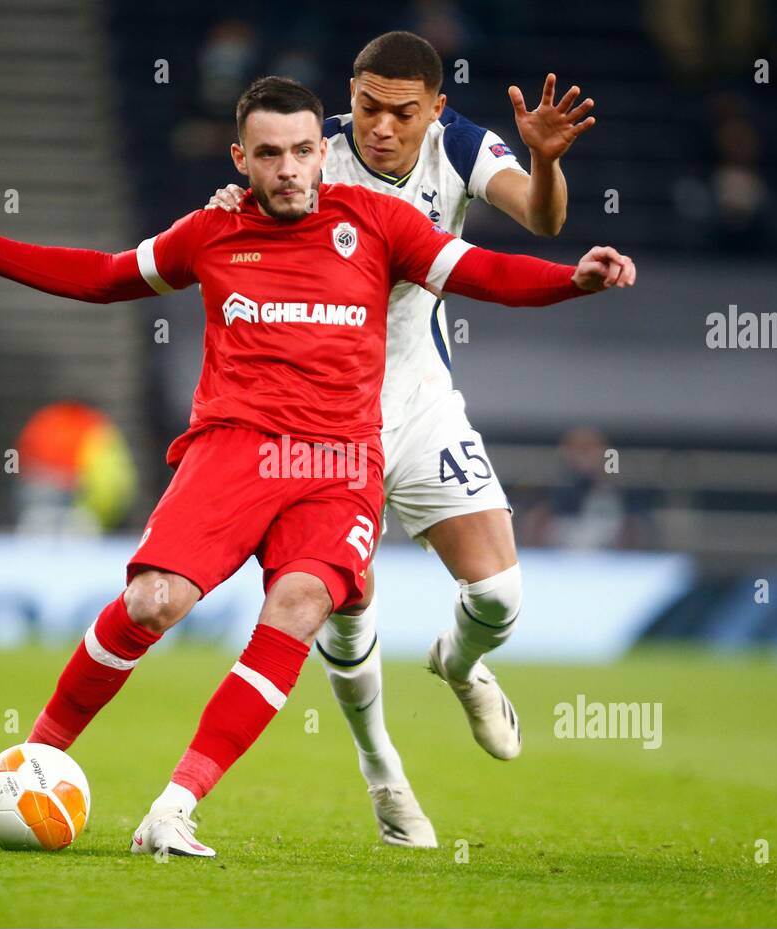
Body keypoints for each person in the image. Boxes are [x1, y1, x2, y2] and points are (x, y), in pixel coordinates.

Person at [0, 75, 635, 857]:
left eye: (301, 151)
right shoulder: (211, 230)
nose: (289, 169)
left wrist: (573, 280)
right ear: (241, 159)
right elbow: (105, 276)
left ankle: (175, 807)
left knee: (299, 606)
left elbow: (486, 271)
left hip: (338, 465)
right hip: (233, 450)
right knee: (154, 600)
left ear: (321, 154)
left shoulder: (380, 223)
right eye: (269, 154)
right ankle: (23, 758)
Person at [206, 31, 602, 844]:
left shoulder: (458, 148)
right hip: (319, 420)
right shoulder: (313, 156)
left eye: (402, 113)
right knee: (344, 617)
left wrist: (548, 163)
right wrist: (227, 201)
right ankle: (383, 772)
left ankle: (456, 663)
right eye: (367, 108)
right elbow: (245, 208)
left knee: (498, 596)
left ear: (436, 111)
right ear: (347, 98)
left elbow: (540, 217)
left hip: (417, 400)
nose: (381, 127)